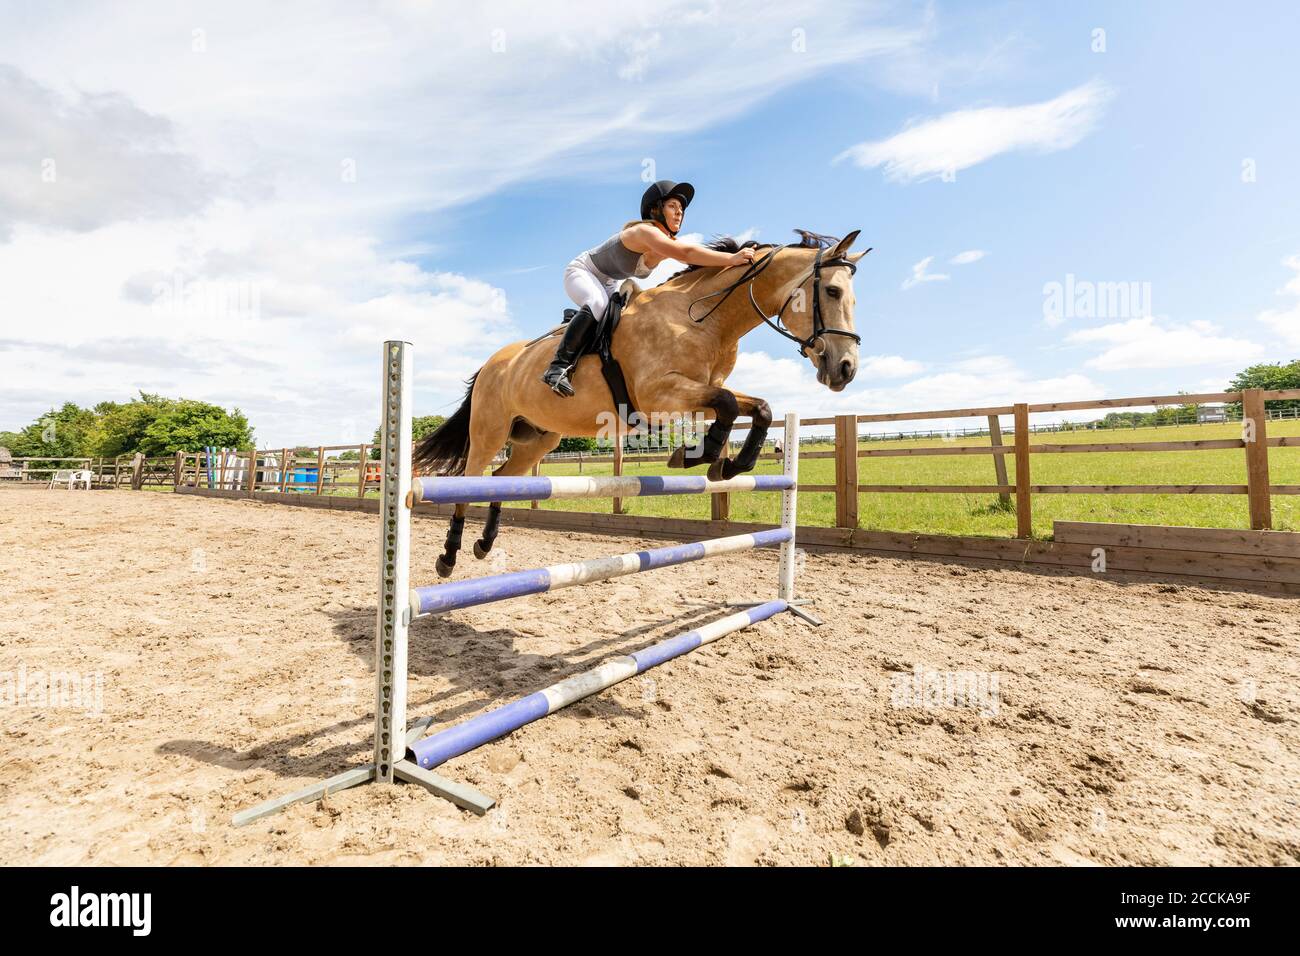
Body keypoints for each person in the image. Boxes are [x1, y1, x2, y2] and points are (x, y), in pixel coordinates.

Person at [541, 180, 757, 397]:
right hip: (583, 271)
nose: (679, 212)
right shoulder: (645, 232)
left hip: (608, 281)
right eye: (672, 206)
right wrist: (732, 258)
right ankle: (557, 368)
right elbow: (688, 254)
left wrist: (734, 266)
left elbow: (694, 261)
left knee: (621, 321)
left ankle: (580, 324)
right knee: (598, 304)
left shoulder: (667, 241)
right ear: (655, 210)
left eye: (681, 209)